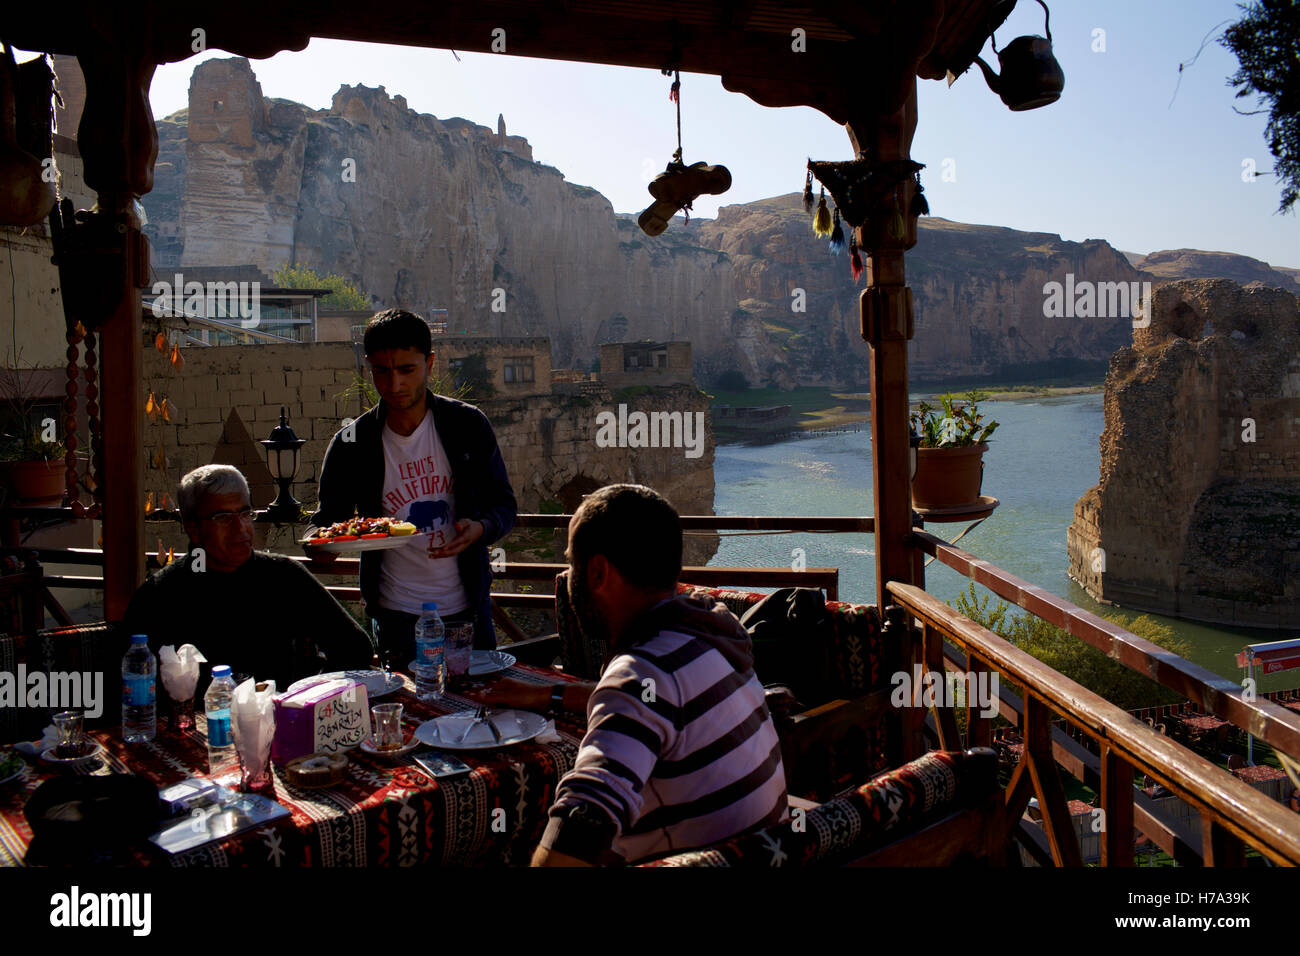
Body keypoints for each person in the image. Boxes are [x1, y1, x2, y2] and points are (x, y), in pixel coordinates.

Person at [469, 484, 787, 866]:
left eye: (572, 563)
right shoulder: (711, 636)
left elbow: (579, 830)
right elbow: (655, 702)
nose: (568, 575)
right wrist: (546, 694)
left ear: (598, 571)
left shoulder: (642, 672)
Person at [308, 308, 517, 664]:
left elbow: (504, 506)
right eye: (381, 372)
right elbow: (326, 522)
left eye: (407, 370)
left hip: (468, 611)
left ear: (430, 363)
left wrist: (481, 528)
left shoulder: (467, 425)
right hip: (396, 617)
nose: (394, 385)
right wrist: (321, 544)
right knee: (409, 712)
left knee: (477, 708)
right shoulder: (351, 444)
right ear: (368, 368)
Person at [120, 465, 374, 693]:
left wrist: (309, 697)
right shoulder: (162, 595)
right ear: (193, 528)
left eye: (244, 514)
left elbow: (354, 649)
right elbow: (129, 687)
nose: (240, 528)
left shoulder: (284, 577)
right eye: (223, 518)